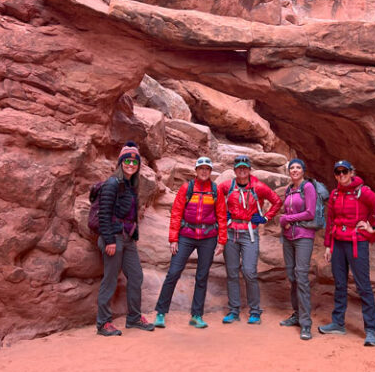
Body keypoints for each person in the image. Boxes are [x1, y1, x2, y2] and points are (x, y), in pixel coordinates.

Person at [320, 160, 375, 347]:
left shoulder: (363, 191)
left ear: (352, 172)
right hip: (338, 242)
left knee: (363, 286)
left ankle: (370, 330)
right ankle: (338, 323)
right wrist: (328, 245)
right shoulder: (335, 194)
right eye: (338, 172)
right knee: (340, 284)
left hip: (356, 242)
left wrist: (373, 228)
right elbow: (330, 220)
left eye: (345, 171)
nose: (341, 175)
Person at [153, 156, 227, 329]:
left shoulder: (215, 190)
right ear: (196, 170)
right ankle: (161, 313)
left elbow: (222, 217)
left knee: (202, 276)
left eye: (207, 169)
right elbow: (177, 213)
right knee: (173, 273)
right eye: (201, 168)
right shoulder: (188, 188)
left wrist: (221, 241)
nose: (203, 171)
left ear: (210, 172)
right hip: (186, 235)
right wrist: (173, 239)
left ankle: (196, 315)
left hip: (208, 237)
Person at [96, 141, 154, 336]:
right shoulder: (112, 183)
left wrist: (134, 236)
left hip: (127, 239)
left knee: (136, 276)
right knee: (110, 279)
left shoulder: (129, 185)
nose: (131, 164)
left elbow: (130, 215)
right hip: (113, 237)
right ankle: (103, 323)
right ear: (121, 162)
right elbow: (104, 214)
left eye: (134, 162)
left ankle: (134, 318)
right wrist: (110, 240)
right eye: (127, 161)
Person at [219, 154, 282, 325]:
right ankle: (234, 310)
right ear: (234, 170)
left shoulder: (258, 187)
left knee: (249, 272)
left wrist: (266, 218)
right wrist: (222, 214)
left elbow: (277, 201)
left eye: (245, 168)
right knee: (232, 272)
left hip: (249, 233)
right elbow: (216, 197)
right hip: (232, 232)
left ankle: (255, 311)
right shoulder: (227, 186)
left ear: (249, 170)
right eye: (239, 167)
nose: (242, 170)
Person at [278, 158, 317, 341]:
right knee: (292, 276)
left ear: (303, 170)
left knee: (301, 276)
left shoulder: (307, 187)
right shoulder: (289, 189)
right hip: (288, 238)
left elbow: (310, 212)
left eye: (298, 167)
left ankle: (306, 324)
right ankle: (296, 314)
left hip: (303, 237)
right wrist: (285, 219)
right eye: (291, 168)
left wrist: (287, 219)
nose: (294, 170)